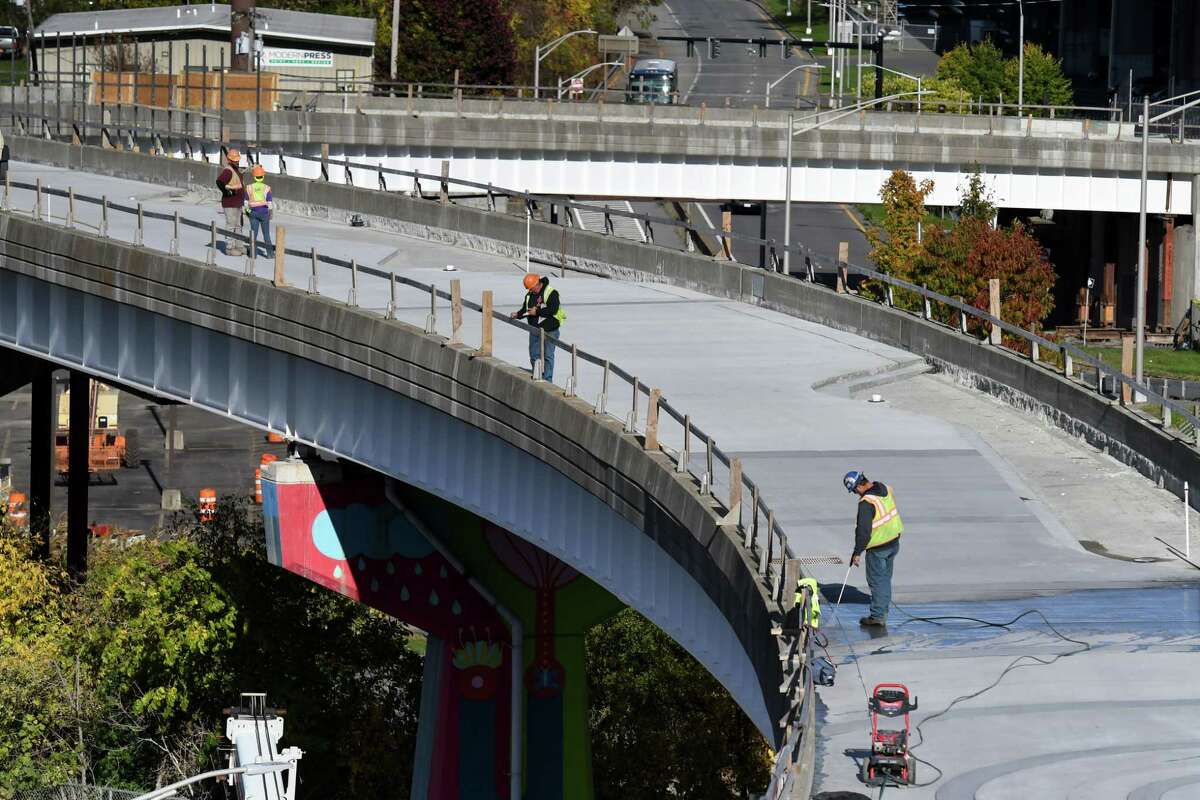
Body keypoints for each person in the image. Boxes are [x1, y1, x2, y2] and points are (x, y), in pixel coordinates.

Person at [844, 470, 903, 627]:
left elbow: (863, 532)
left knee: (877, 581)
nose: (856, 494)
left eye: (854, 491)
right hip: (893, 542)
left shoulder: (866, 503)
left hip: (878, 547)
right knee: (885, 579)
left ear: (858, 487)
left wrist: (857, 552)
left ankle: (877, 616)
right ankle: (883, 610)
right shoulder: (885, 488)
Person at [510, 273, 565, 381]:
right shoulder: (530, 295)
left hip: (550, 329)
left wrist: (537, 312)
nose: (530, 290)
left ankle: (547, 380)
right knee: (534, 354)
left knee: (548, 355)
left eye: (531, 288)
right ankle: (537, 375)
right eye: (529, 289)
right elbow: (526, 310)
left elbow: (553, 309)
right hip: (535, 329)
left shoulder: (551, 292)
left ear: (537, 284)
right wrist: (518, 314)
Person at [215, 149, 246, 256]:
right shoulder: (228, 171)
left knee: (238, 226)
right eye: (235, 160)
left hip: (237, 203)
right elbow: (219, 182)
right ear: (230, 160)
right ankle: (229, 248)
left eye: (237, 160)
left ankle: (239, 246)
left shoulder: (236, 170)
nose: (237, 162)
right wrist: (227, 192)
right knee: (231, 225)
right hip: (230, 203)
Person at [245, 163, 274, 257]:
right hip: (264, 213)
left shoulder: (249, 187)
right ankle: (270, 254)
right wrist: (270, 212)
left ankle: (253, 254)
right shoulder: (266, 188)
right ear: (263, 176)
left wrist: (247, 212)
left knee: (253, 234)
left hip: (253, 212)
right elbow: (269, 202)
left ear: (254, 176)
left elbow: (245, 202)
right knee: (266, 234)